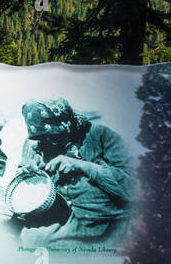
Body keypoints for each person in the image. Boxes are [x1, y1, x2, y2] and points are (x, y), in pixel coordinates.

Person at [14, 98, 131, 247]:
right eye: (40, 137)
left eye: (54, 136)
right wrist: (26, 174)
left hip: (103, 223)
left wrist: (82, 166)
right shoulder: (34, 144)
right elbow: (25, 190)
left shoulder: (102, 136)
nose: (46, 142)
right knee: (30, 240)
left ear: (67, 125)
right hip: (58, 221)